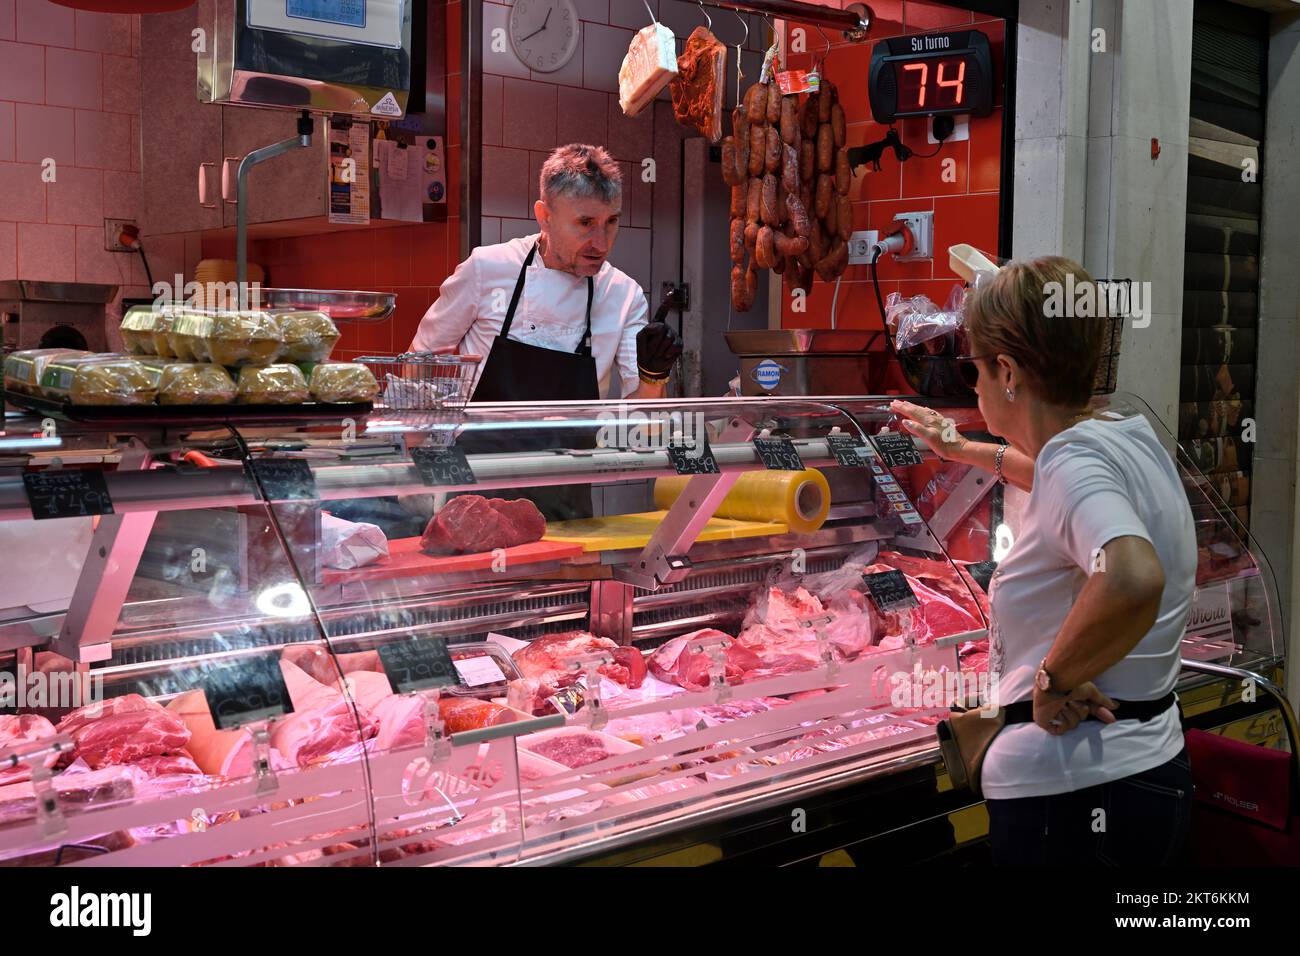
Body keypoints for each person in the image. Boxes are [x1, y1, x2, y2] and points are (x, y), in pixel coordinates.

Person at [891, 256, 1197, 866]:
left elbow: (1132, 576)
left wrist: (1051, 680)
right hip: (1146, 772)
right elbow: (1058, 485)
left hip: (1078, 801)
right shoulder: (1123, 437)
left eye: (974, 366)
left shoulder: (1073, 463)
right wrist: (960, 448)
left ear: (1007, 372)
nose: (972, 385)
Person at [408, 142, 681, 520]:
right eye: (585, 223)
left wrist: (654, 375)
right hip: (474, 485)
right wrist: (422, 469)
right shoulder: (487, 269)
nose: (600, 243)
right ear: (544, 215)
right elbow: (420, 364)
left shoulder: (623, 294)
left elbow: (644, 421)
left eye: (611, 222)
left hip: (566, 491)